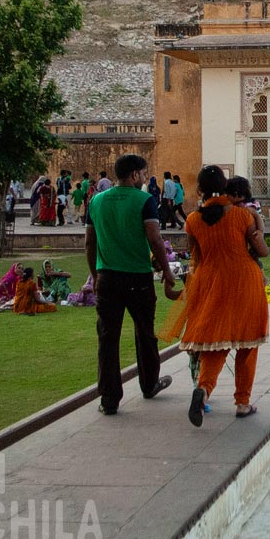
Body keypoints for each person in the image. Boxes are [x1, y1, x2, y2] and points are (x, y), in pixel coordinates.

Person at [171, 165, 270, 424]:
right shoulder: (242, 216)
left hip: (211, 283)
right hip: (244, 281)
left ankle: (203, 390)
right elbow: (262, 251)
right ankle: (242, 402)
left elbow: (196, 258)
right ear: (225, 187)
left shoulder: (192, 220)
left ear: (199, 189)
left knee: (217, 343)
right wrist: (259, 229)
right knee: (247, 343)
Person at [86, 153, 175, 415]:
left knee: (107, 338)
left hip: (107, 277)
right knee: (145, 332)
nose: (144, 178)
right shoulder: (144, 200)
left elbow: (90, 242)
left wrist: (95, 275)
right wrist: (166, 270)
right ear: (135, 174)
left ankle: (109, 399)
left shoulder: (97, 201)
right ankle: (149, 384)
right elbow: (155, 239)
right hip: (137, 277)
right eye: (143, 173)